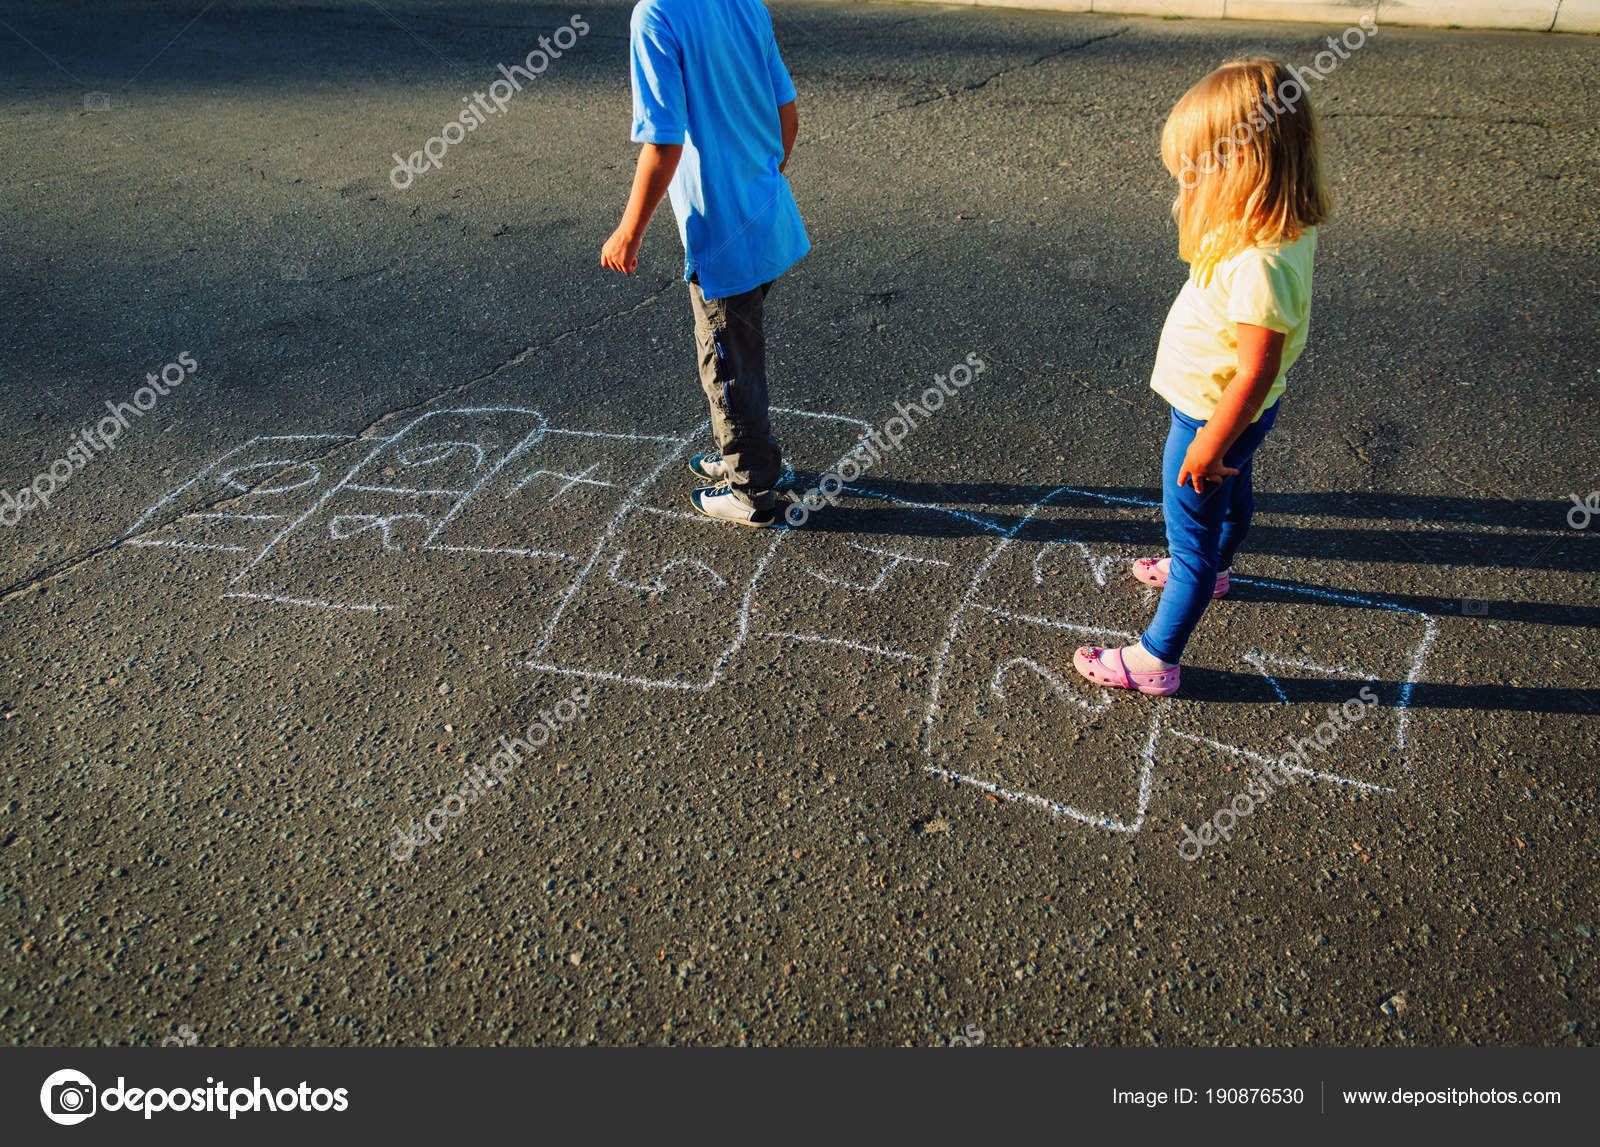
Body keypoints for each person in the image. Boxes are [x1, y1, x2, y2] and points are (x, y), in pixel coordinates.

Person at [1074, 57, 1329, 695]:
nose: (1187, 180)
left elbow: (1255, 366)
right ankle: (1217, 567)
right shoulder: (1269, 225)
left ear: (1243, 166)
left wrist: (1208, 443)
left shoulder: (1261, 264)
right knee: (1231, 495)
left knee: (1190, 539)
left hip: (1210, 414)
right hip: (1232, 411)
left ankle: (1156, 657)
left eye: (1198, 167)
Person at [601, 0, 809, 527]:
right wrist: (758, 180)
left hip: (721, 234)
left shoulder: (656, 16)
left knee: (727, 365)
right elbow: (789, 116)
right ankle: (745, 449)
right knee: (741, 350)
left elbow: (663, 141)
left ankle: (751, 487)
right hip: (766, 217)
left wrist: (629, 230)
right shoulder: (745, 4)